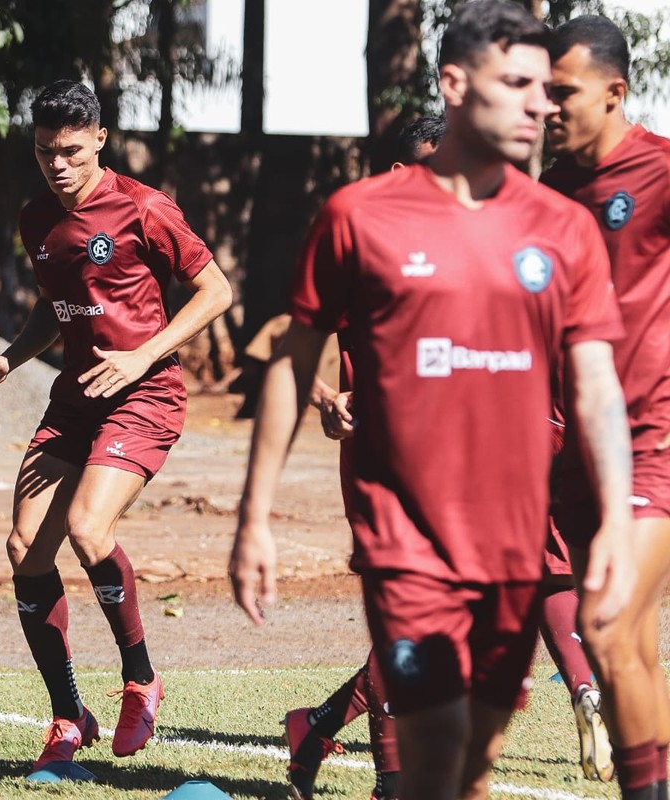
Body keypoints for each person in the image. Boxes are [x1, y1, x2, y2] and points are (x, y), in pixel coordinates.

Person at [229, 3, 635, 799]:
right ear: (454, 85)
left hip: (515, 539)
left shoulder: (563, 228)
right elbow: (289, 357)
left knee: (470, 760)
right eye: (517, 84)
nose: (540, 105)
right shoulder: (360, 217)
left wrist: (615, 516)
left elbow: (593, 382)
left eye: (547, 89)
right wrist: (254, 516)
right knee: (436, 742)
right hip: (405, 535)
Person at [0, 79, 232, 771]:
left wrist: (143, 354)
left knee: (88, 529)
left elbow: (217, 289)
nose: (59, 165)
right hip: (75, 397)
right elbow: (58, 308)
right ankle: (67, 714)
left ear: (101, 140)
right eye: (47, 152)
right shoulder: (34, 219)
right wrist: (10, 359)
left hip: (145, 394)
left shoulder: (145, 208)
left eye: (73, 152)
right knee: (25, 549)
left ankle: (140, 679)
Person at [283, 115, 447, 800]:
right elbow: (286, 336)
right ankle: (390, 781)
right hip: (381, 461)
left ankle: (317, 726)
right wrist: (325, 396)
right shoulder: (363, 244)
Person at [544, 15, 670, 797]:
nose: (548, 106)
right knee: (635, 649)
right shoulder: (547, 191)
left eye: (564, 92)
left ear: (614, 92)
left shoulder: (660, 171)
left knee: (606, 623)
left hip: (654, 440)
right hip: (569, 453)